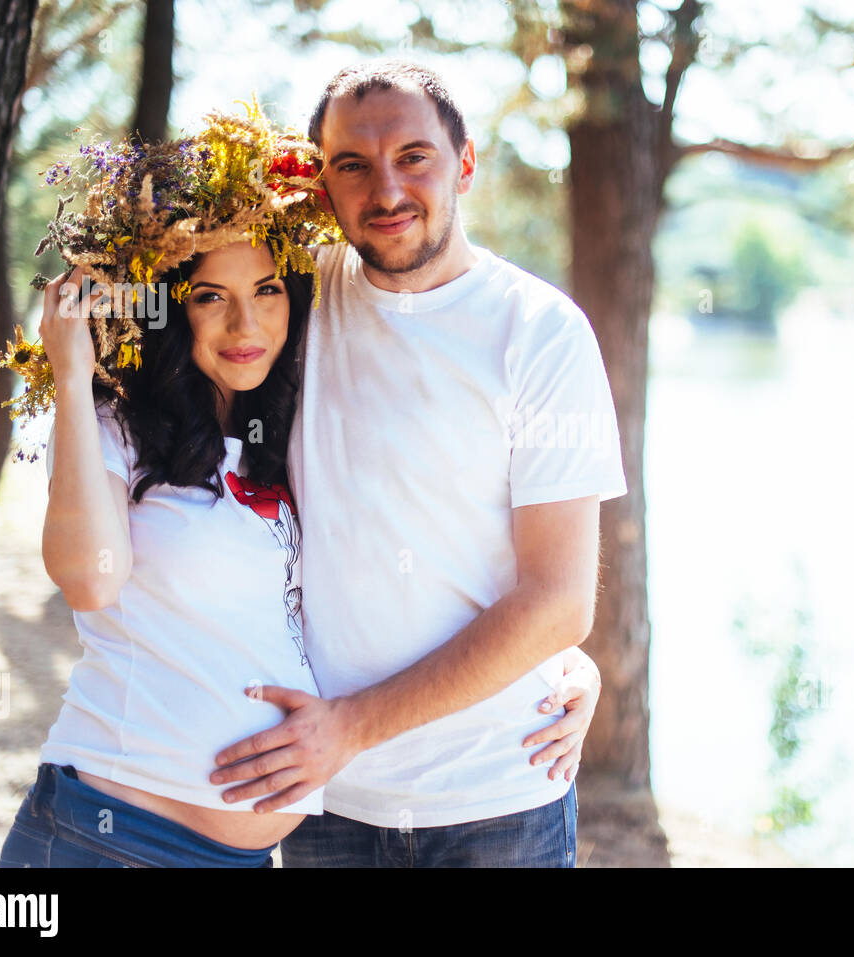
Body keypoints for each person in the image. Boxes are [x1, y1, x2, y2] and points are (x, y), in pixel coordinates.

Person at [0, 104, 601, 868]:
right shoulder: (118, 423)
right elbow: (89, 580)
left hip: (321, 836)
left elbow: (486, 576)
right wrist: (71, 373)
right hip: (114, 835)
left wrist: (556, 659)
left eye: (268, 290)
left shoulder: (273, 430)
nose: (245, 322)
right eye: (209, 295)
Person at [206, 62, 628, 868]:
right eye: (352, 165)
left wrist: (349, 728)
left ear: (464, 163)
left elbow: (558, 600)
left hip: (499, 797)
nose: (386, 190)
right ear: (319, 184)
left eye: (413, 156)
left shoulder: (540, 332)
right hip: (327, 798)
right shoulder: (289, 303)